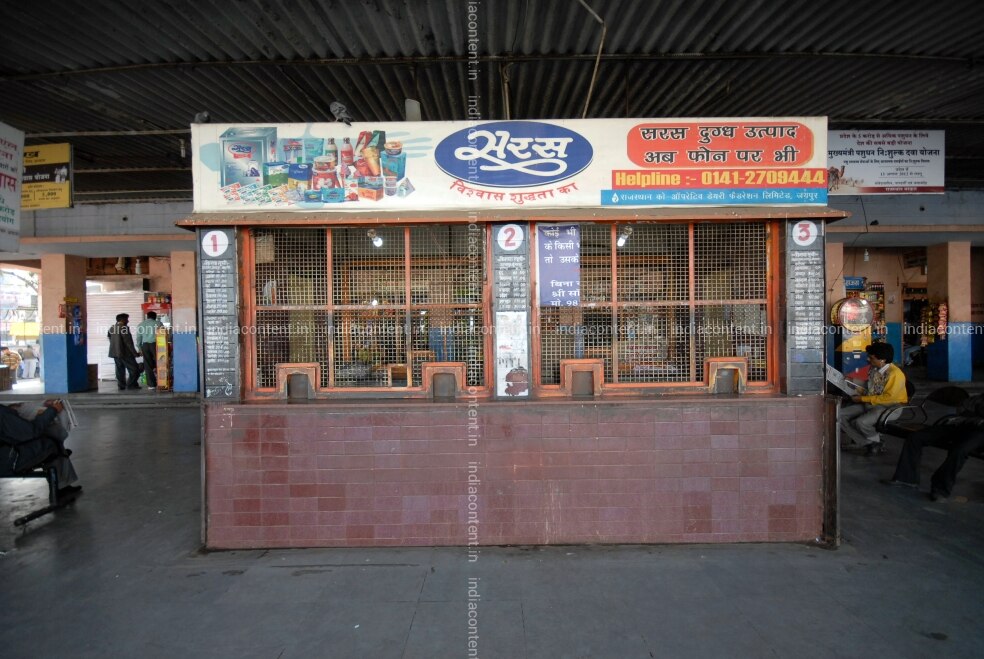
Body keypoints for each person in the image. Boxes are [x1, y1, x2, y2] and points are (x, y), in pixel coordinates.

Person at [883, 394, 984, 502]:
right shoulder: (980, 397)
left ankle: (940, 489)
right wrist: (971, 416)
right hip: (961, 424)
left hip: (980, 433)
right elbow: (962, 407)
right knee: (916, 437)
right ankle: (906, 479)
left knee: (959, 451)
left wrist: (973, 416)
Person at [0, 400, 80, 496]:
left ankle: (62, 482)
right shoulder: (3, 414)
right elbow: (32, 431)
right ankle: (61, 486)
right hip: (8, 462)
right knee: (51, 442)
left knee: (47, 441)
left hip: (5, 455)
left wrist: (11, 410)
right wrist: (52, 410)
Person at [839, 343, 908, 454]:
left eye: (872, 357)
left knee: (861, 422)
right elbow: (869, 387)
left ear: (882, 360)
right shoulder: (875, 369)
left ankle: (873, 442)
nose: (868, 359)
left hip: (891, 407)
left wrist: (862, 399)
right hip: (872, 404)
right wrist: (851, 381)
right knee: (839, 415)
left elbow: (888, 398)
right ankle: (869, 443)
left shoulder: (895, 374)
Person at [108, 313, 141, 390]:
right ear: (122, 320)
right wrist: (135, 354)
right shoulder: (124, 328)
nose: (128, 321)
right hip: (125, 353)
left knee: (120, 370)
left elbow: (110, 338)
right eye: (127, 319)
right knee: (134, 369)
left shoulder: (112, 328)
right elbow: (128, 343)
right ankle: (131, 384)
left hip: (115, 353)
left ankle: (121, 385)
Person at [135, 311, 163, 389]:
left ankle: (151, 385)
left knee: (147, 365)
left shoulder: (141, 325)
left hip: (145, 346)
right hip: (156, 345)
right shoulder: (158, 323)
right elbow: (162, 335)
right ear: (155, 316)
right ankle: (162, 382)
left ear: (147, 316)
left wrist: (140, 348)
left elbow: (138, 338)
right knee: (161, 362)